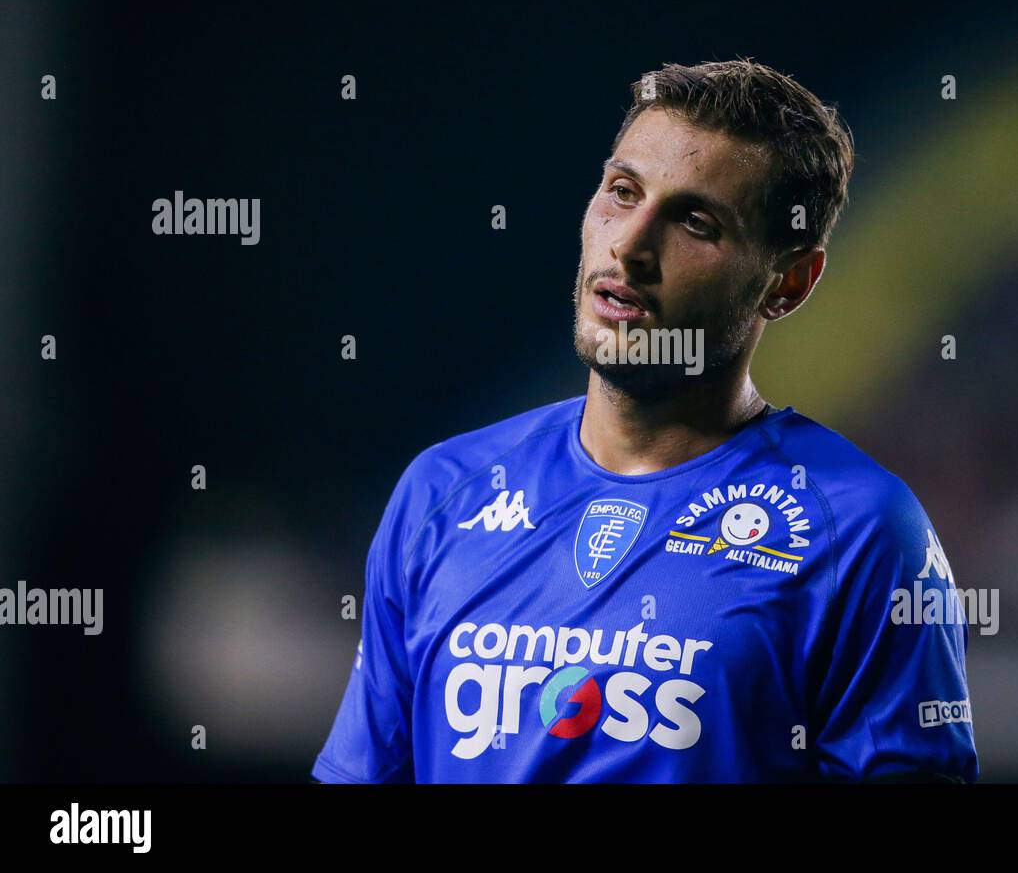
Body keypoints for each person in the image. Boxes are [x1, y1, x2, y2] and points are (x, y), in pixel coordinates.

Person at [312, 59, 978, 782]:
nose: (629, 245)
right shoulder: (444, 490)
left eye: (696, 221)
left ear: (787, 283)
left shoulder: (861, 531)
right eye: (621, 193)